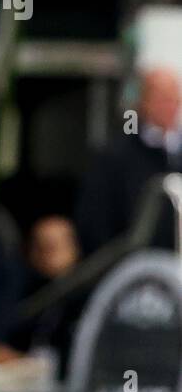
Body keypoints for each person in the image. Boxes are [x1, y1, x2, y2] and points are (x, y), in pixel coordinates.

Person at [76, 65, 182, 256]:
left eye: (173, 97)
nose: (169, 105)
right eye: (160, 98)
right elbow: (95, 221)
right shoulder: (116, 156)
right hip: (136, 271)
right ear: (143, 102)